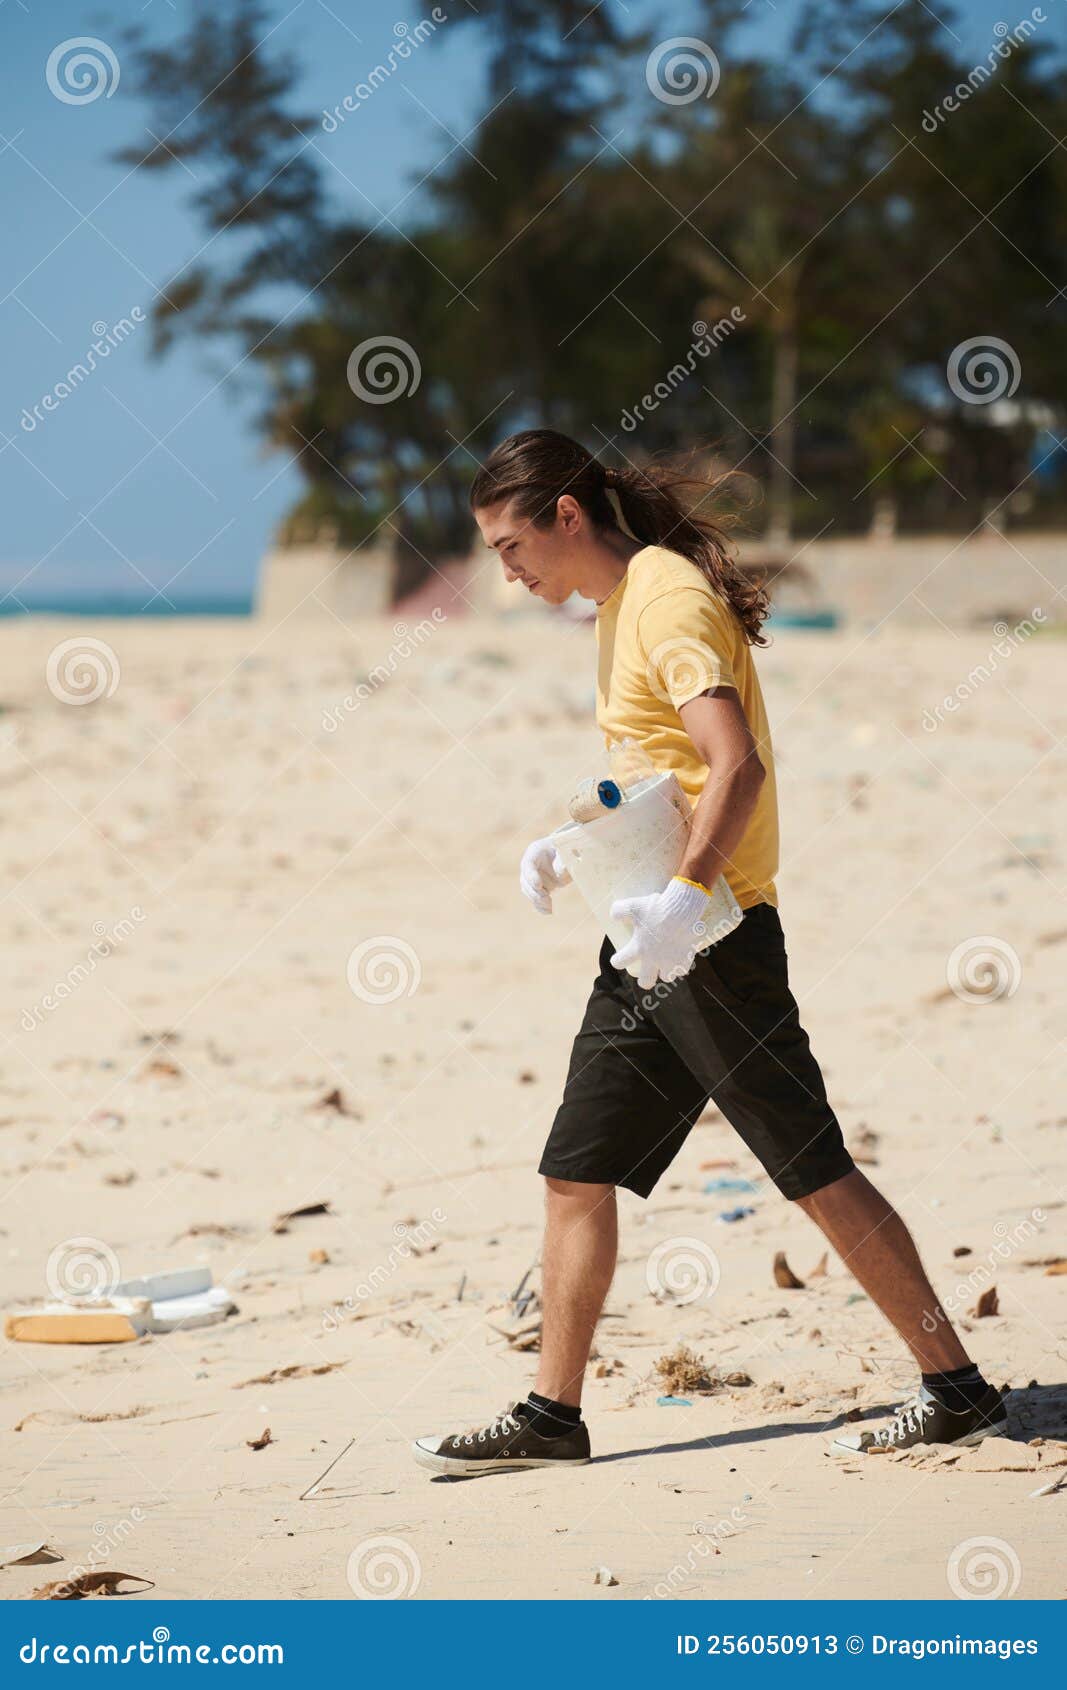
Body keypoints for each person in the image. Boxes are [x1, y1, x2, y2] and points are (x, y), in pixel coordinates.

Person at [413, 429, 1004, 1476]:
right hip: (644, 940)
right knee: (573, 1169)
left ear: (564, 516)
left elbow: (737, 767)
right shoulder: (616, 608)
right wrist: (576, 840)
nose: (506, 572)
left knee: (811, 1167)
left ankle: (954, 1388)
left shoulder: (666, 600)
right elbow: (662, 774)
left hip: (708, 938)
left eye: (511, 546)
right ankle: (552, 1415)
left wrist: (685, 902)